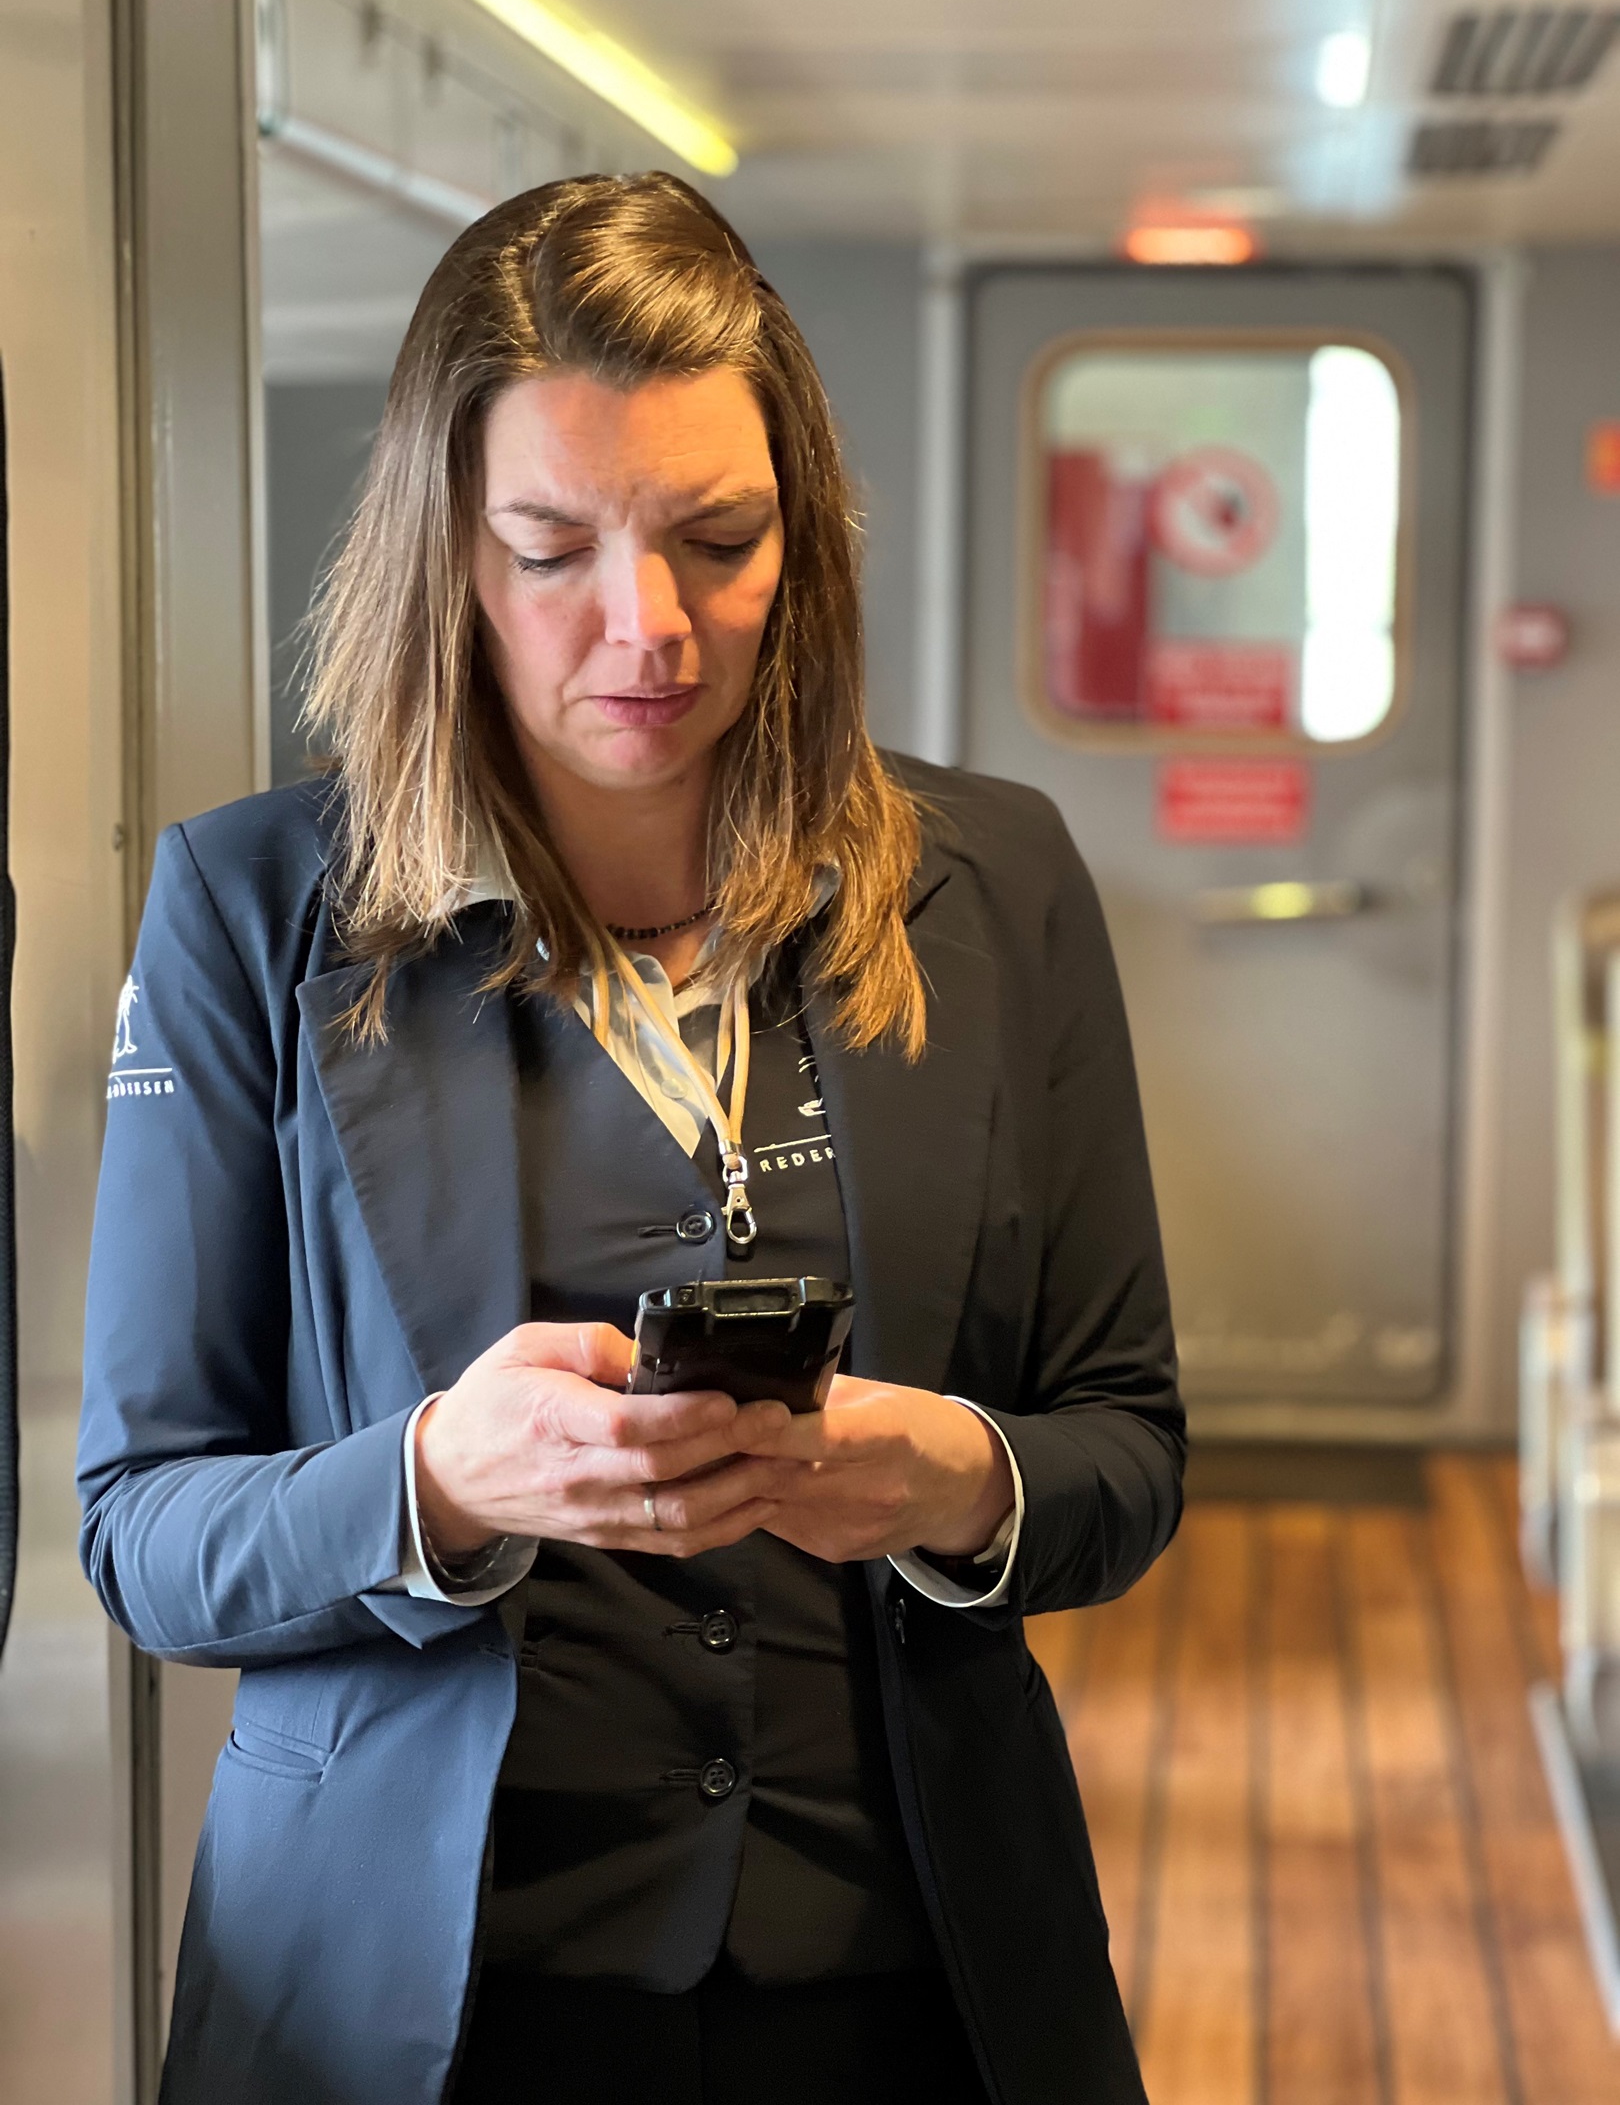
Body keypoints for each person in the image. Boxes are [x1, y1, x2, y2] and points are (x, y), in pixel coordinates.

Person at [77, 172, 1184, 2105]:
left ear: (804, 542)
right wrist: (436, 1479)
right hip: (418, 2004)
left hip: (910, 1983)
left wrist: (961, 1481)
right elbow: (144, 1531)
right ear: (447, 554)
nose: (645, 626)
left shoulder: (996, 887)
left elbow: (1127, 1445)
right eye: (548, 547)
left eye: (717, 537)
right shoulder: (251, 910)